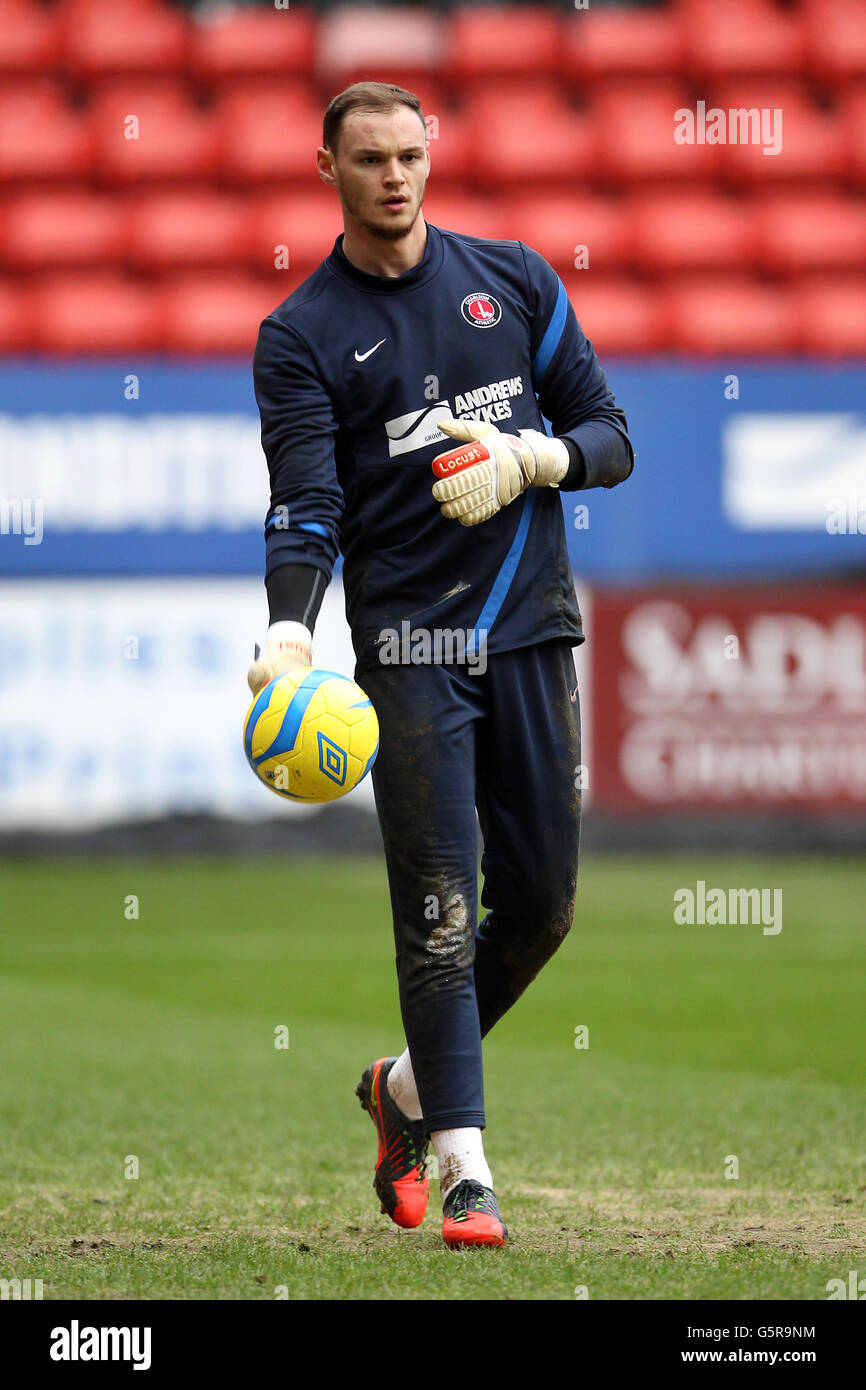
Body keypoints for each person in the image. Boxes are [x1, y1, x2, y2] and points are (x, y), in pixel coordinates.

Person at [249, 81, 634, 1249]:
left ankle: (404, 1092)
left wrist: (531, 456)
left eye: (409, 154)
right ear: (328, 169)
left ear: (432, 153)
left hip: (530, 628)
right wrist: (288, 629)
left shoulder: (513, 280)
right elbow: (306, 504)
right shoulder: (300, 335)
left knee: (543, 908)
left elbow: (612, 436)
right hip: (412, 653)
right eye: (367, 158)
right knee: (436, 912)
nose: (394, 176)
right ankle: (466, 1168)